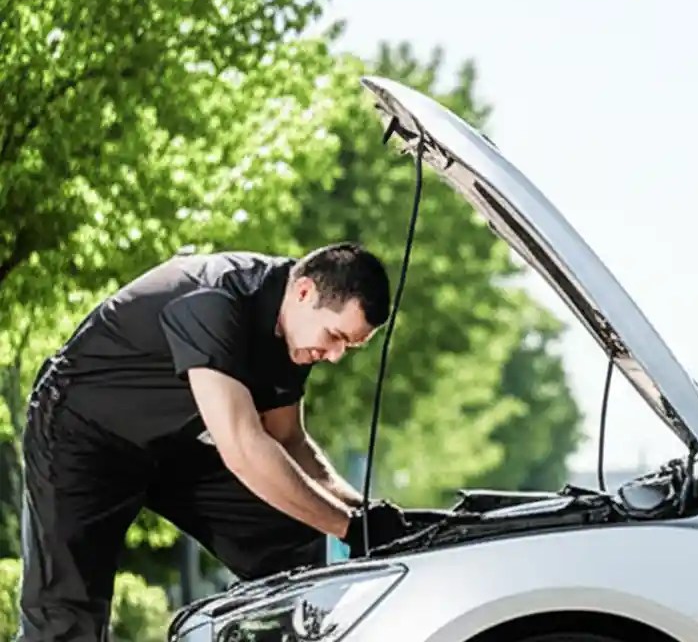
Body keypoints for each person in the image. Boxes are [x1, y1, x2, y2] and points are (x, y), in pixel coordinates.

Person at [18, 242, 414, 641]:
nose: (334, 355)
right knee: (64, 621)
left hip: (174, 444)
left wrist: (366, 514)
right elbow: (243, 450)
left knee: (302, 542)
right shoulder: (216, 300)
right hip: (82, 435)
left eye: (348, 345)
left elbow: (290, 441)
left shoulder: (295, 335)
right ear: (305, 291)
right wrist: (348, 527)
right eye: (335, 336)